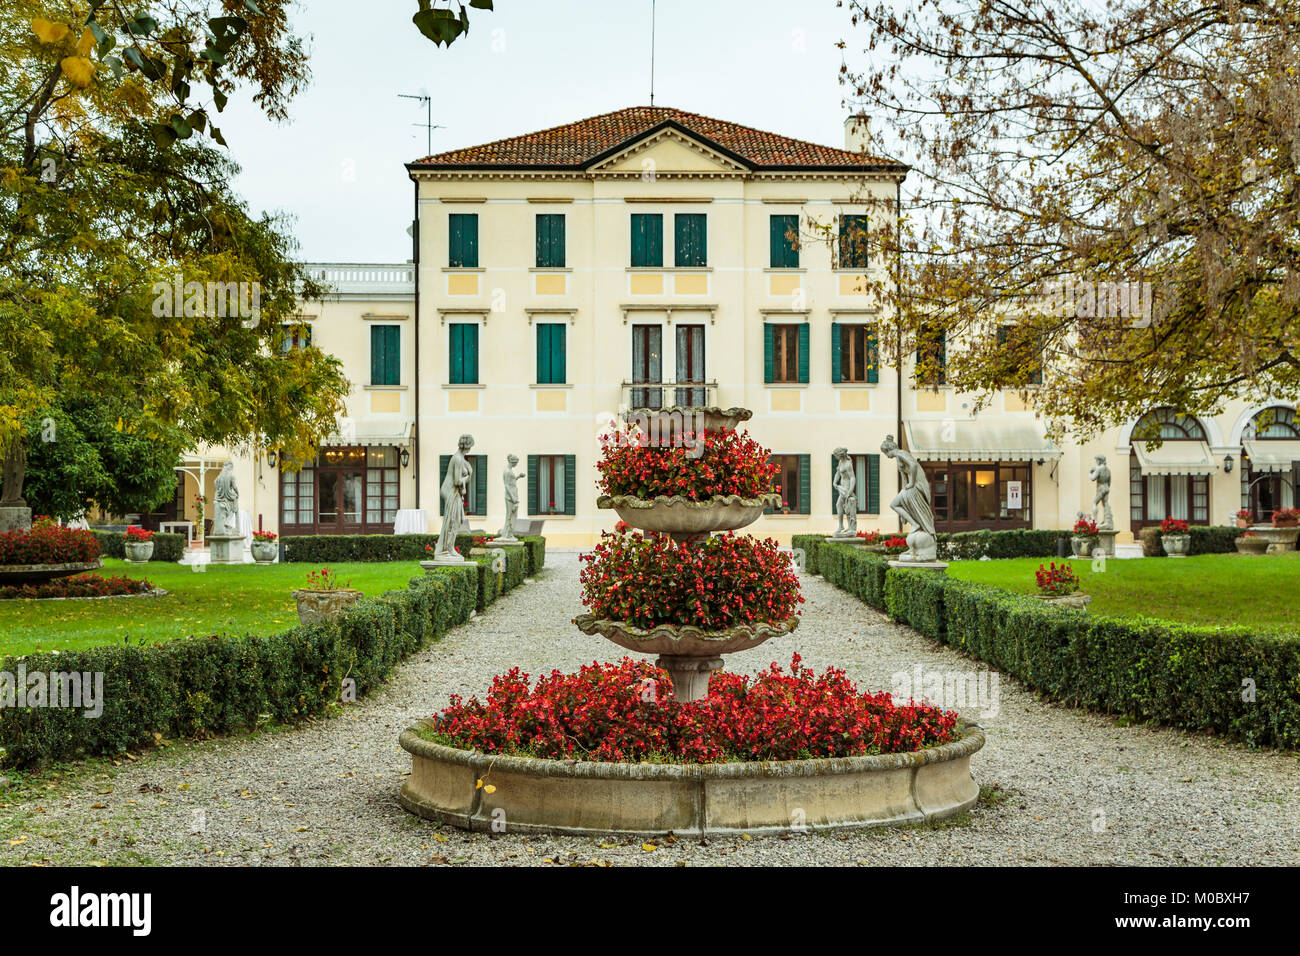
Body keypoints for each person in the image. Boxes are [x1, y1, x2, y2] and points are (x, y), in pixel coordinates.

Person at [435, 434, 474, 558]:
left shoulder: (460, 459)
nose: (470, 449)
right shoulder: (457, 459)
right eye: (470, 446)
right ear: (466, 446)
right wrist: (468, 476)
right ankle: (448, 549)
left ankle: (448, 548)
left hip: (453, 491)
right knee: (453, 520)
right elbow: (457, 481)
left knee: (455, 520)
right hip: (451, 491)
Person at [832, 447, 857, 535]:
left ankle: (846, 526)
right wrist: (834, 482)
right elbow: (838, 473)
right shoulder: (841, 462)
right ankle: (843, 526)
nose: (835, 457)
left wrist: (850, 490)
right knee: (843, 506)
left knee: (843, 505)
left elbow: (853, 477)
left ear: (840, 455)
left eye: (836, 455)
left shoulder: (847, 464)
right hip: (842, 487)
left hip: (846, 487)